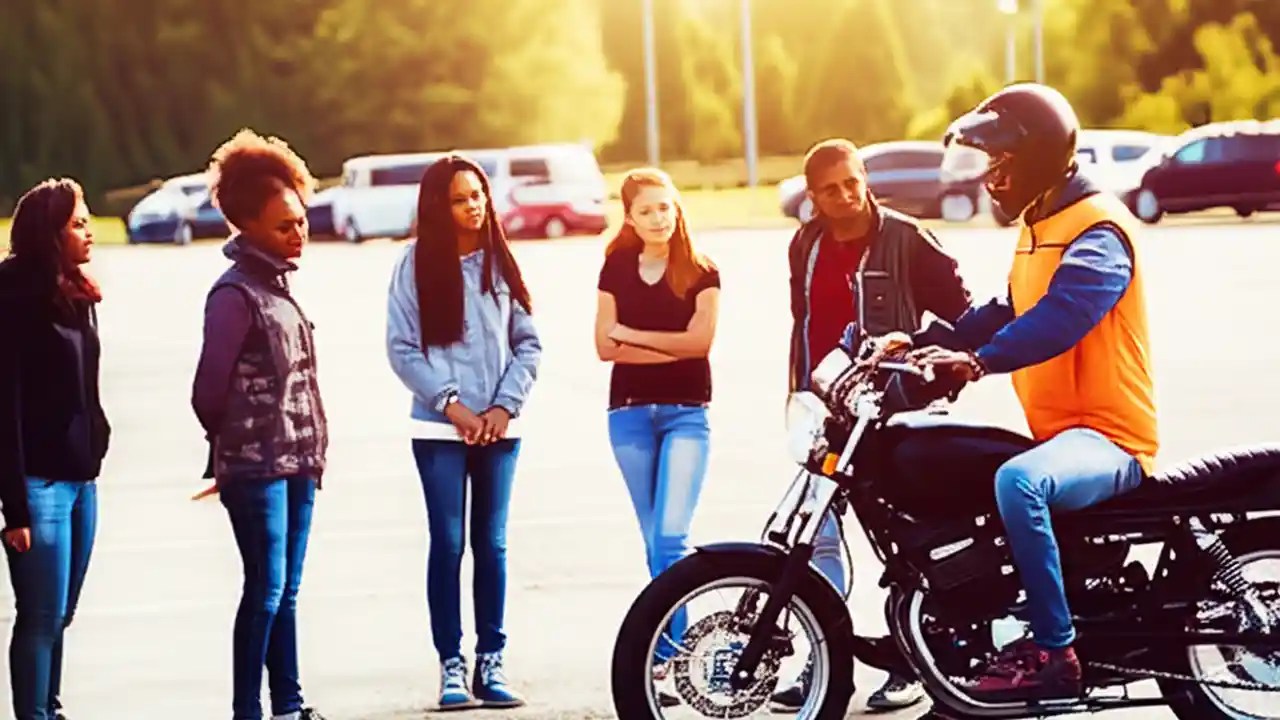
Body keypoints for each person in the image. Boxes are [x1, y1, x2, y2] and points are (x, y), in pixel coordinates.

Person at [909, 82, 1156, 701]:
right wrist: (916, 346)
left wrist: (978, 362)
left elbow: (1067, 310)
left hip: (1110, 438)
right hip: (1063, 434)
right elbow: (1010, 305)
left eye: (1002, 159)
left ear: (1038, 156)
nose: (992, 172)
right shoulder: (1041, 223)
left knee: (1017, 481)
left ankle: (1055, 651)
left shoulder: (1099, 228)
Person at [772, 139, 972, 713]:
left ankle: (914, 661)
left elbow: (963, 318)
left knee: (906, 547)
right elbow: (802, 323)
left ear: (865, 179)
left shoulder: (908, 239)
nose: (844, 196)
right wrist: (797, 395)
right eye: (829, 189)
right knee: (816, 538)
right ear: (813, 197)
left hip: (894, 417)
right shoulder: (805, 243)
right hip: (826, 414)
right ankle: (823, 659)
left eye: (851, 182)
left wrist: (921, 365)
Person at [386, 154, 541, 710]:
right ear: (437, 205)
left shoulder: (500, 261)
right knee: (448, 544)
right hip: (439, 431)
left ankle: (490, 663)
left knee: (491, 546)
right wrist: (452, 406)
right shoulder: (413, 266)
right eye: (459, 198)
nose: (473, 205)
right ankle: (451, 668)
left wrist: (503, 406)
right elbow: (401, 349)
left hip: (500, 431)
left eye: (478, 194)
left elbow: (529, 343)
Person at [191, 129, 329, 720]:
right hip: (257, 467)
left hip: (298, 461)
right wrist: (233, 451)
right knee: (265, 593)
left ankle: (289, 707)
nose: (298, 232)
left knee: (287, 594)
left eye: (300, 220)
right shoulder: (234, 294)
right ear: (245, 227)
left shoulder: (277, 285)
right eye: (283, 226)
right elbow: (206, 391)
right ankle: (247, 710)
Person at [595, 168, 719, 707]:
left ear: (677, 208)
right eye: (646, 211)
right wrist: (666, 345)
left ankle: (676, 655)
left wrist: (634, 337)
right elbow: (603, 347)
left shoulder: (703, 270)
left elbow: (700, 344)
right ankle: (670, 659)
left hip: (687, 414)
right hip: (627, 414)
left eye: (665, 207)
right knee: (654, 544)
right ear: (629, 217)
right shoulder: (616, 266)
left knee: (671, 538)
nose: (659, 218)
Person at [0, 178, 107, 720]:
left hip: (81, 479)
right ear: (50, 233)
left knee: (61, 613)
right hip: (38, 487)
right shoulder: (14, 299)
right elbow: (4, 409)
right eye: (77, 224)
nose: (88, 232)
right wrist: (13, 507)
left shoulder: (76, 294)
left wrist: (99, 437)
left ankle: (51, 708)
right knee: (39, 617)